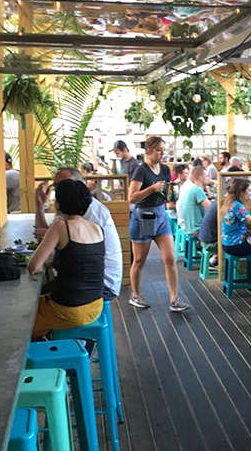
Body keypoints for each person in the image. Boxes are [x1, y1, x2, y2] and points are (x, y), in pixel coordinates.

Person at [29, 179, 104, 339]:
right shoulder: (96, 228)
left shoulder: (61, 226)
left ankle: (44, 353)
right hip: (95, 306)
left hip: (68, 310)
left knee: (24, 317)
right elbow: (78, 260)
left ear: (59, 204)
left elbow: (34, 266)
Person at [35, 167, 122, 300]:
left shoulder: (92, 211)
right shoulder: (69, 208)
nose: (61, 189)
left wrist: (49, 236)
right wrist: (39, 206)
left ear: (80, 186)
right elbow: (43, 236)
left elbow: (49, 243)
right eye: (57, 185)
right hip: (83, 279)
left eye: (65, 183)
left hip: (101, 285)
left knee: (34, 300)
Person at [128, 135, 189, 312]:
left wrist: (172, 193)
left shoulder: (164, 168)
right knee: (139, 260)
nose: (161, 153)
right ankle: (136, 294)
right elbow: (132, 197)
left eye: (163, 149)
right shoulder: (141, 170)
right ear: (148, 150)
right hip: (144, 216)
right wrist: (152, 188)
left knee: (170, 259)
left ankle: (174, 298)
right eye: (158, 150)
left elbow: (166, 192)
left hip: (161, 215)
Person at [221, 177, 251, 261]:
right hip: (235, 244)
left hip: (227, 242)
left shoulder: (230, 203)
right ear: (242, 192)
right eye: (249, 190)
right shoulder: (238, 206)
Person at [177, 166, 210, 236]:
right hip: (196, 230)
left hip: (188, 227)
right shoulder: (197, 189)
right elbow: (210, 208)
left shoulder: (192, 188)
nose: (208, 178)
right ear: (201, 177)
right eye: (206, 176)